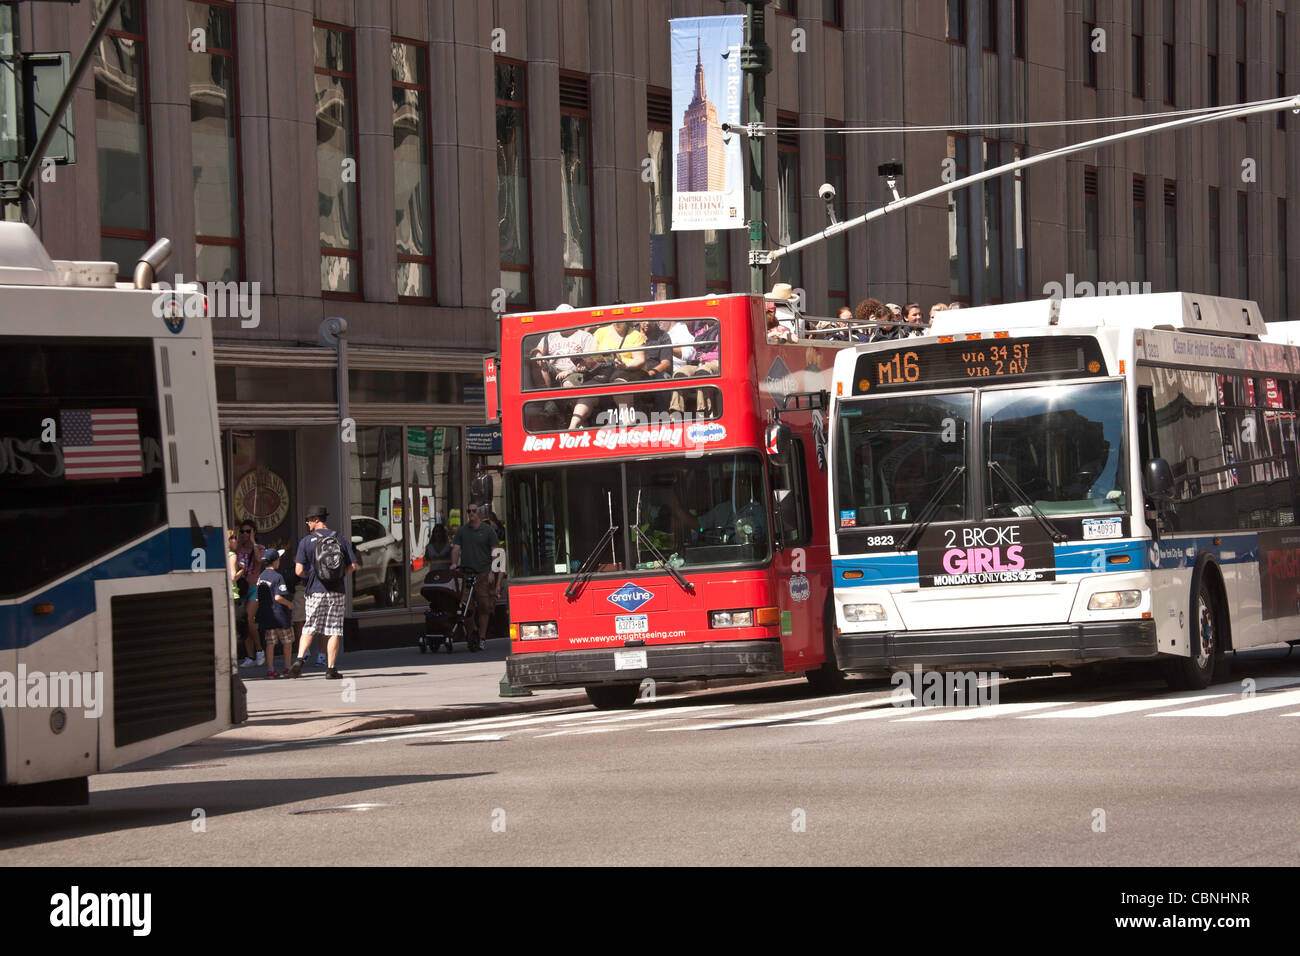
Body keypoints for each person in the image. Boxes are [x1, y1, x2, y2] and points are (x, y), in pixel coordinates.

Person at [289, 505, 357, 680]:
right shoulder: (340, 539)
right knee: (334, 629)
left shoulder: (306, 542)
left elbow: (298, 571)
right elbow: (353, 566)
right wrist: (339, 575)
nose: (307, 522)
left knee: (309, 626)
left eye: (309, 520)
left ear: (316, 520)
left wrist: (310, 575)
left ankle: (298, 660)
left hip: (314, 590)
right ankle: (331, 669)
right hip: (336, 590)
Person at [449, 503, 502, 652]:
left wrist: (493, 571)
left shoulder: (488, 531)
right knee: (466, 607)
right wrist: (454, 564)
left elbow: (495, 551)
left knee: (484, 606)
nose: (471, 513)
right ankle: (473, 634)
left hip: (484, 574)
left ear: (479, 512)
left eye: (474, 511)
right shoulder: (463, 531)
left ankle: (483, 638)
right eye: (469, 511)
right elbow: (456, 548)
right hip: (467, 574)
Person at [252, 549, 295, 679]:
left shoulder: (261, 577)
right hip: (281, 616)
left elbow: (257, 598)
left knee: (270, 643)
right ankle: (287, 667)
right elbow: (278, 597)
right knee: (287, 641)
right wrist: (289, 604)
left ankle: (270, 669)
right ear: (275, 561)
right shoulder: (278, 577)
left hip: (267, 616)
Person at [695, 470, 766, 545]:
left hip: (750, 555)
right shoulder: (721, 509)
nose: (738, 489)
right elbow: (699, 525)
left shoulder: (759, 511)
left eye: (742, 484)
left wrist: (756, 542)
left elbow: (769, 540)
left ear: (749, 488)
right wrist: (681, 512)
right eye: (734, 485)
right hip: (723, 554)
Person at [234, 522, 265, 668]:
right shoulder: (238, 547)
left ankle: (259, 650)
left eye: (248, 531)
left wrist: (252, 542)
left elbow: (259, 560)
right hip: (241, 587)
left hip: (254, 586)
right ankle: (250, 655)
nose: (245, 534)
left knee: (249, 618)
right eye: (242, 531)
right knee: (243, 622)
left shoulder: (259, 547)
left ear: (253, 532)